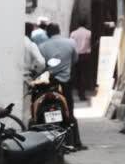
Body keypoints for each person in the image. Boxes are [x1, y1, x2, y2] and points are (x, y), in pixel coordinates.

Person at [38, 23, 88, 151]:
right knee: (69, 112)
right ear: (59, 31)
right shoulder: (70, 43)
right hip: (65, 83)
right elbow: (75, 60)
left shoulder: (42, 46)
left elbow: (40, 65)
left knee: (41, 109)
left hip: (49, 83)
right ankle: (76, 142)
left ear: (48, 33)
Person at [70, 18, 93, 101]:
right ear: (86, 24)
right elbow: (90, 44)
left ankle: (75, 92)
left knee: (76, 74)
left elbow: (71, 45)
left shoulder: (73, 33)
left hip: (75, 55)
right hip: (85, 56)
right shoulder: (89, 33)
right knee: (83, 75)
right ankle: (82, 94)